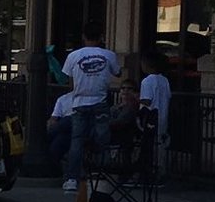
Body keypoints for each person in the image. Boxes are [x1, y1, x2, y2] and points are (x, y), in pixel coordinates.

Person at [61, 18, 122, 192]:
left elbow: (69, 82)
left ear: (83, 37)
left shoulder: (73, 56)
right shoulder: (108, 54)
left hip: (79, 102)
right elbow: (117, 73)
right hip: (100, 102)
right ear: (101, 36)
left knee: (77, 141)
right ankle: (103, 174)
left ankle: (72, 178)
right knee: (102, 139)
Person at [137, 50, 172, 155]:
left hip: (150, 118)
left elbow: (147, 101)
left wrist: (135, 98)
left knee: (149, 144)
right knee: (160, 144)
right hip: (163, 116)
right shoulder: (165, 80)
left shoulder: (147, 81)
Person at [45, 92, 75, 172]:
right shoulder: (63, 99)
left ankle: (44, 137)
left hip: (79, 128)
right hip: (66, 133)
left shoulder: (88, 99)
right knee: (57, 143)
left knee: (67, 121)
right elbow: (53, 119)